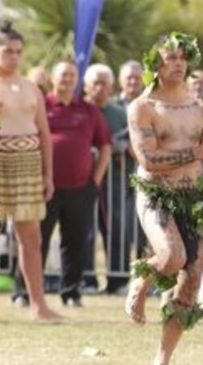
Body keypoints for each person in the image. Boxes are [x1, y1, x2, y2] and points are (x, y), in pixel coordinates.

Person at [124, 33, 203, 365]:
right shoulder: (143, 107)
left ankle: (162, 359)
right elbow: (148, 160)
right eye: (170, 57)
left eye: (182, 57)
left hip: (194, 198)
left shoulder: (201, 108)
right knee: (172, 256)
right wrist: (195, 152)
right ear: (155, 64)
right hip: (157, 194)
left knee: (191, 281)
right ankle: (143, 276)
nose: (178, 63)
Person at [0, 22, 60, 320]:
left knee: (32, 237)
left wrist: (48, 174)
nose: (14, 57)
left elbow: (44, 133)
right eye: (7, 51)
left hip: (28, 162)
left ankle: (38, 305)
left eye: (18, 51)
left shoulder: (31, 88)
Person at [40, 59, 111, 307]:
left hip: (81, 188)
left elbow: (105, 146)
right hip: (44, 187)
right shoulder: (41, 105)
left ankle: (70, 292)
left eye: (72, 75)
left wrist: (96, 181)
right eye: (63, 75)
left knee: (76, 243)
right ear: (52, 77)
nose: (67, 80)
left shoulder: (89, 110)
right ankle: (27, 292)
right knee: (36, 239)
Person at [83, 63, 133, 295]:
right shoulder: (81, 110)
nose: (100, 88)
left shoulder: (121, 114)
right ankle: (87, 279)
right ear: (87, 86)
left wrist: (123, 147)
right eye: (96, 83)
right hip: (84, 179)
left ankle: (118, 280)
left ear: (112, 86)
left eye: (105, 83)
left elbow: (134, 144)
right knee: (84, 228)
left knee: (116, 227)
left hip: (115, 179)